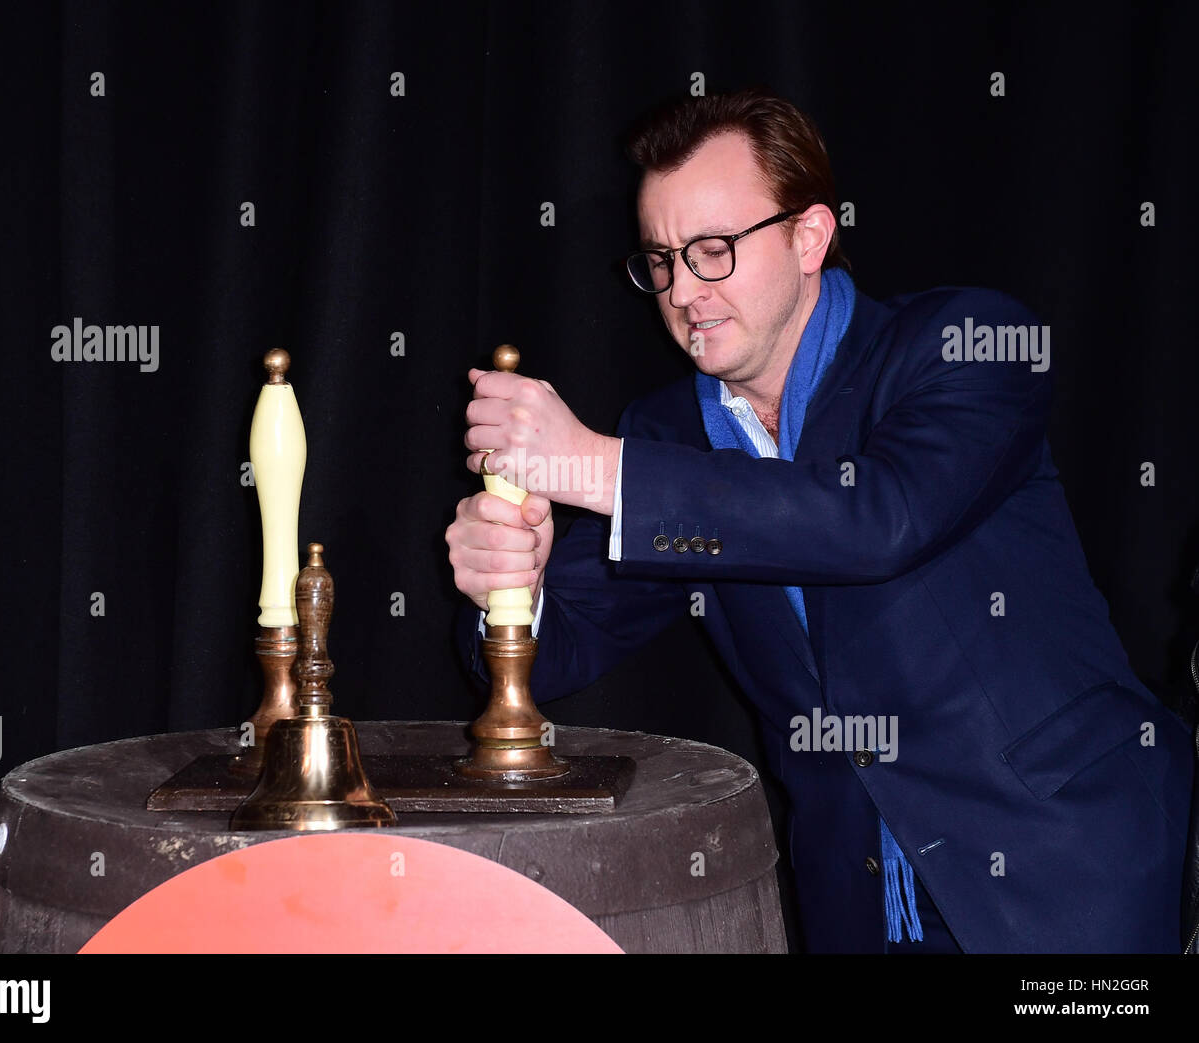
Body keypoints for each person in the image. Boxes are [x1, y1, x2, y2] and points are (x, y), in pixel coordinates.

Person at [445, 87, 1192, 954]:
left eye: (714, 250)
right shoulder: (670, 434)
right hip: (862, 908)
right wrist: (510, 577)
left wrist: (591, 463)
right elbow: (562, 645)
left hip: (1062, 866)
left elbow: (877, 518)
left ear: (810, 236)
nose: (684, 290)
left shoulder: (966, 344)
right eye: (661, 259)